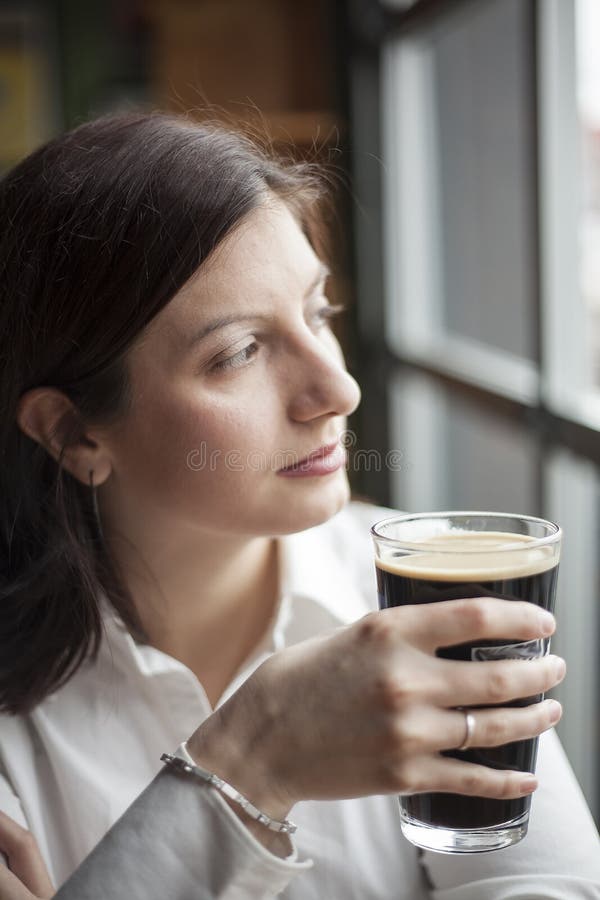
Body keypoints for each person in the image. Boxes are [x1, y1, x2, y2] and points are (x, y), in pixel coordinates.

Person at [0, 112, 598, 900]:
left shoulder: (431, 580)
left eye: (318, 314)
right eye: (239, 351)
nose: (337, 390)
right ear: (74, 432)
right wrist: (254, 755)